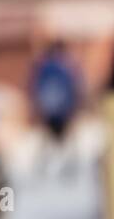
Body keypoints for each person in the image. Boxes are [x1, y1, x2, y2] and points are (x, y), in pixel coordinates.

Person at [28, 40, 84, 173]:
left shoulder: (42, 68)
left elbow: (34, 88)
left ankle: (44, 167)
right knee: (64, 141)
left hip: (49, 112)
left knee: (49, 141)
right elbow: (76, 88)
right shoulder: (68, 67)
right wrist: (76, 107)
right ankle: (69, 166)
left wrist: (37, 108)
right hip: (64, 111)